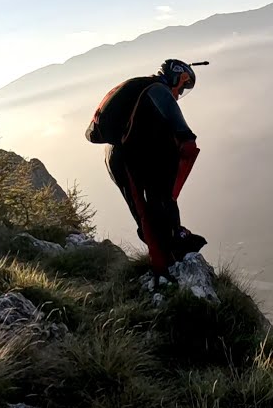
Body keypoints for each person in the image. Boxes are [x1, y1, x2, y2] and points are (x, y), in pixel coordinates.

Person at [86, 58, 209, 276]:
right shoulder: (158, 90)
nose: (180, 93)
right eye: (183, 85)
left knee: (143, 210)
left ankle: (164, 254)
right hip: (129, 157)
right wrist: (185, 147)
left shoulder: (140, 86)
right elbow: (183, 132)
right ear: (177, 76)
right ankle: (165, 265)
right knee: (155, 206)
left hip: (117, 156)